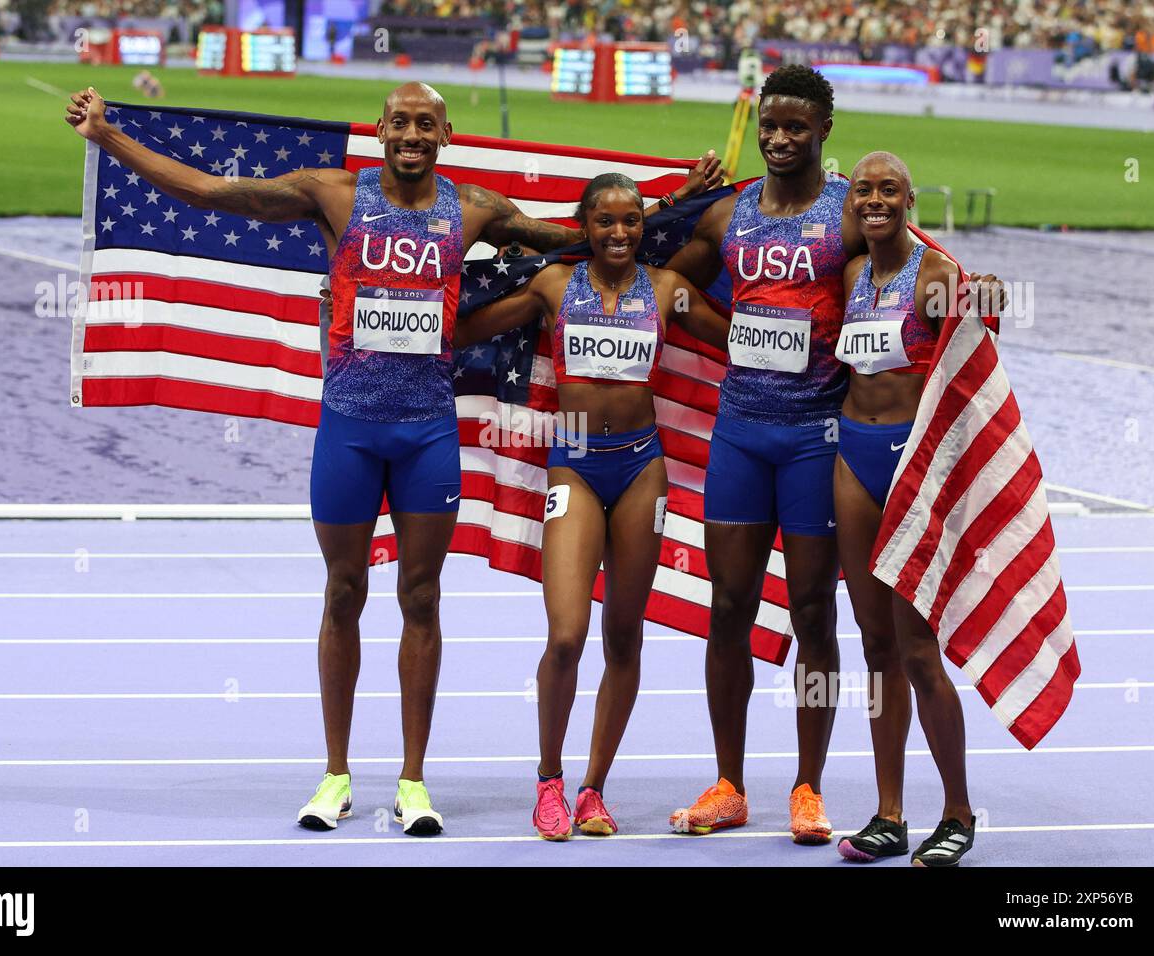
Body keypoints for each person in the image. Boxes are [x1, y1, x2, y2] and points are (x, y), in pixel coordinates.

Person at [65, 82, 722, 836]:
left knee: (420, 596)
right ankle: (336, 774)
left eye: (426, 124)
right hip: (348, 426)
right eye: (400, 122)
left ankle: (414, 781)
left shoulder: (472, 208)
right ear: (380, 129)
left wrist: (673, 203)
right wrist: (108, 138)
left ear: (446, 133)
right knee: (343, 591)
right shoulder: (331, 193)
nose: (412, 134)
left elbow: (586, 235)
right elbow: (217, 192)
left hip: (426, 433)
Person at [662, 65, 1001, 845]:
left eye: (797, 127)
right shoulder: (728, 213)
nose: (780, 138)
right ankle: (728, 784)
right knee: (727, 611)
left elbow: (919, 264)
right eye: (770, 126)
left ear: (823, 133)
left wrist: (978, 291)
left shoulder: (849, 214)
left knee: (816, 612)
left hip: (823, 440)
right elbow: (666, 284)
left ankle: (809, 787)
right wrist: (731, 340)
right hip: (741, 433)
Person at [454, 173, 730, 840]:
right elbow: (466, 329)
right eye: (605, 221)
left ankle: (592, 790)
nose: (619, 232)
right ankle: (548, 779)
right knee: (568, 635)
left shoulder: (668, 291)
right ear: (585, 226)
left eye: (631, 222)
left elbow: (744, 340)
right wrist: (374, 302)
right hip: (573, 466)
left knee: (624, 636)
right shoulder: (552, 286)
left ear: (642, 228)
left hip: (643, 468)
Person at [832, 152, 975, 867]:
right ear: (852, 202)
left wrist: (991, 297)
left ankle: (957, 811)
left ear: (911, 200)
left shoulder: (936, 277)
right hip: (852, 458)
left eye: (889, 190)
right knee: (875, 644)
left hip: (910, 472)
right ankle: (888, 814)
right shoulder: (854, 276)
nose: (876, 200)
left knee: (918, 648)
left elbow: (977, 352)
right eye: (865, 190)